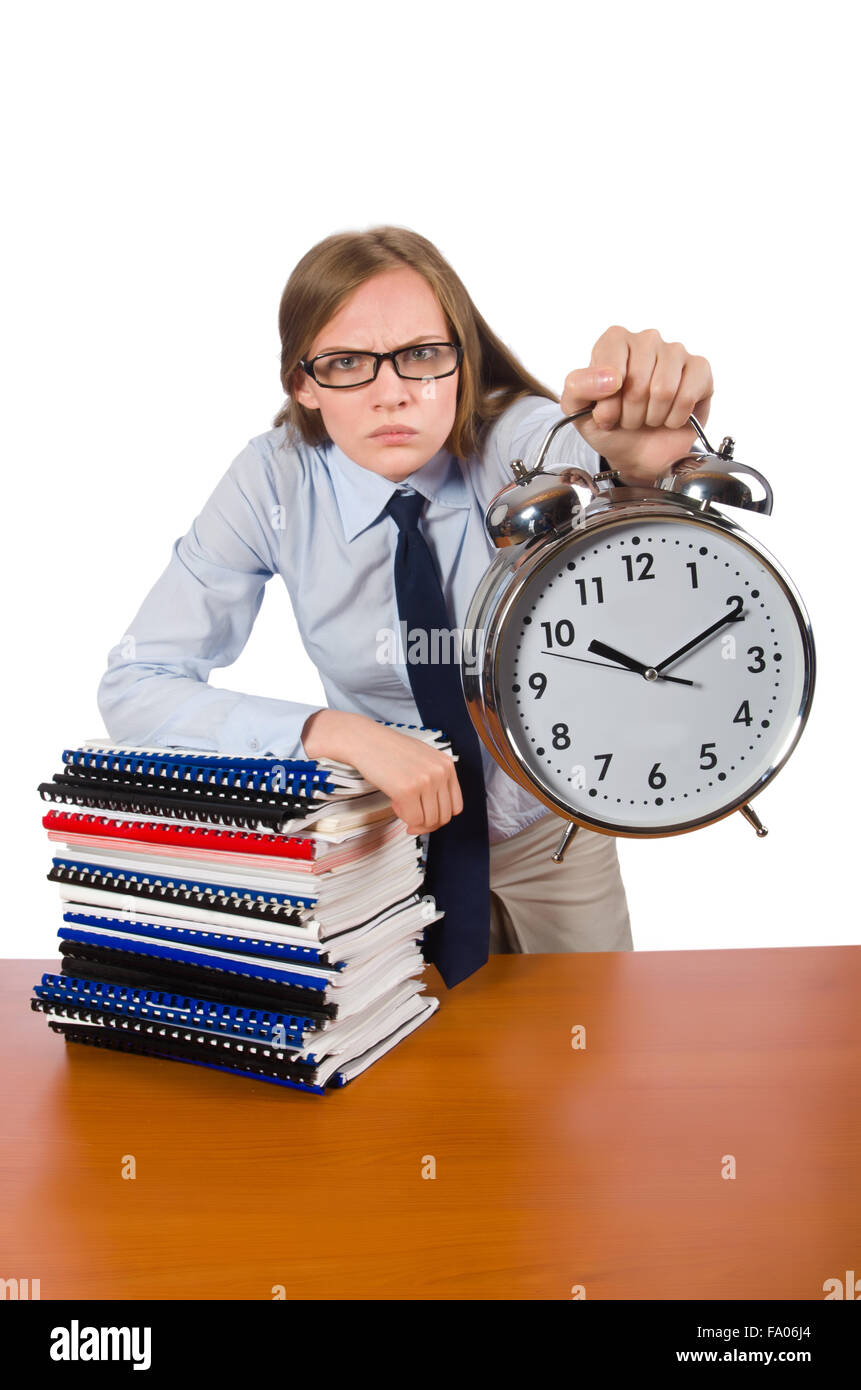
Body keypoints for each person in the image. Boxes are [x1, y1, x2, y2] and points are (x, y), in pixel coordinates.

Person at [97, 224, 714, 971]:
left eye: (421, 356)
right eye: (348, 363)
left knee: (591, 1058)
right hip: (380, 855)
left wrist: (634, 466)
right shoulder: (272, 482)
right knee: (407, 1067)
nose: (392, 393)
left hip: (552, 839)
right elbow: (137, 684)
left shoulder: (517, 439)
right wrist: (333, 733)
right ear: (302, 382)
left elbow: (599, 483)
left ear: (462, 361)